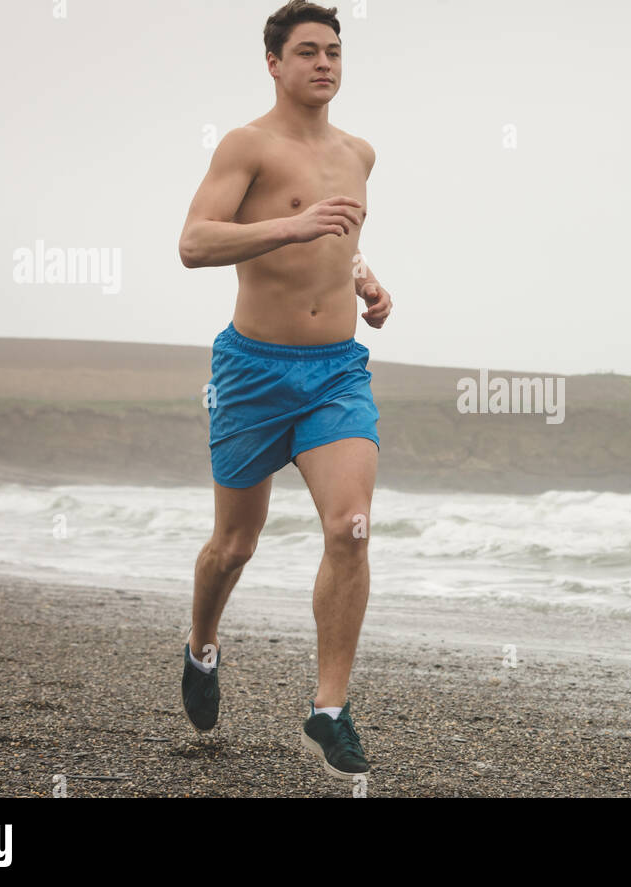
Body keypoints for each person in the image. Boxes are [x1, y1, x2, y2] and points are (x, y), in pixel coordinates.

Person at [176, 0, 391, 781]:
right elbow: (194, 242)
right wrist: (286, 229)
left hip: (335, 371)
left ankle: (328, 708)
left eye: (333, 50)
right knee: (233, 546)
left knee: (353, 528)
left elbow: (346, 239)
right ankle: (202, 646)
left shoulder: (360, 154)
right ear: (274, 63)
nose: (324, 63)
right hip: (252, 371)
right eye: (307, 51)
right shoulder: (248, 146)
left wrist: (367, 281)